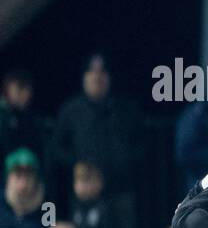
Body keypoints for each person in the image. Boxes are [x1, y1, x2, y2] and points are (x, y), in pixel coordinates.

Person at [51, 54, 141, 203]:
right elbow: (57, 148)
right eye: (92, 72)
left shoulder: (126, 109)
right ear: (84, 77)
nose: (97, 77)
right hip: (83, 192)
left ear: (109, 77)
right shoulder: (71, 110)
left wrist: (121, 164)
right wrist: (78, 165)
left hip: (120, 192)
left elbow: (141, 146)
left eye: (102, 72)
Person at [1, 147, 48, 228]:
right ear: (8, 177)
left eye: (28, 175)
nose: (23, 182)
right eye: (18, 175)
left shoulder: (48, 206)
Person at [0, 68, 45, 161]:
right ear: (6, 89)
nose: (26, 94)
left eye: (28, 90)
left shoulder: (31, 119)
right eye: (20, 88)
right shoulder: (3, 117)